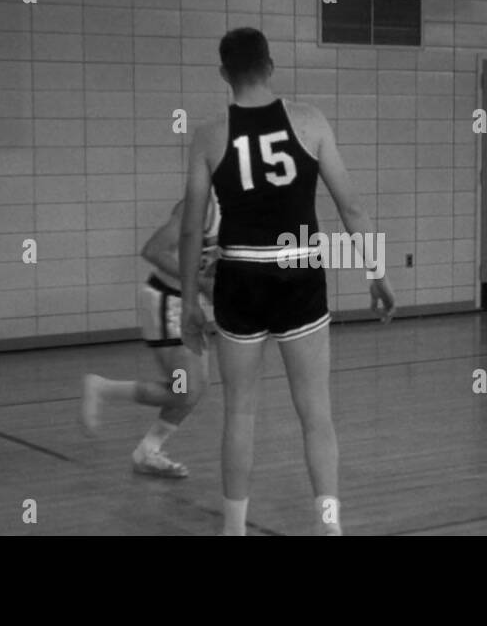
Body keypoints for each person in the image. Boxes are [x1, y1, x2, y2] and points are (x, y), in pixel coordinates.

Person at [178, 27, 396, 536]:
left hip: (239, 276)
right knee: (316, 413)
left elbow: (191, 226)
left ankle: (233, 528)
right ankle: (329, 525)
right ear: (270, 66)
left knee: (240, 414)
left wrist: (190, 299)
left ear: (223, 75)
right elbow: (352, 206)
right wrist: (376, 271)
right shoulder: (309, 121)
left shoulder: (210, 135)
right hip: (297, 271)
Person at [80, 194, 221, 478]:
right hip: (167, 301)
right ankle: (103, 390)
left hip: (186, 303)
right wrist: (200, 282)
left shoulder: (245, 214)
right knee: (186, 390)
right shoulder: (202, 206)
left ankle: (146, 450)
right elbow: (154, 250)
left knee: (191, 390)